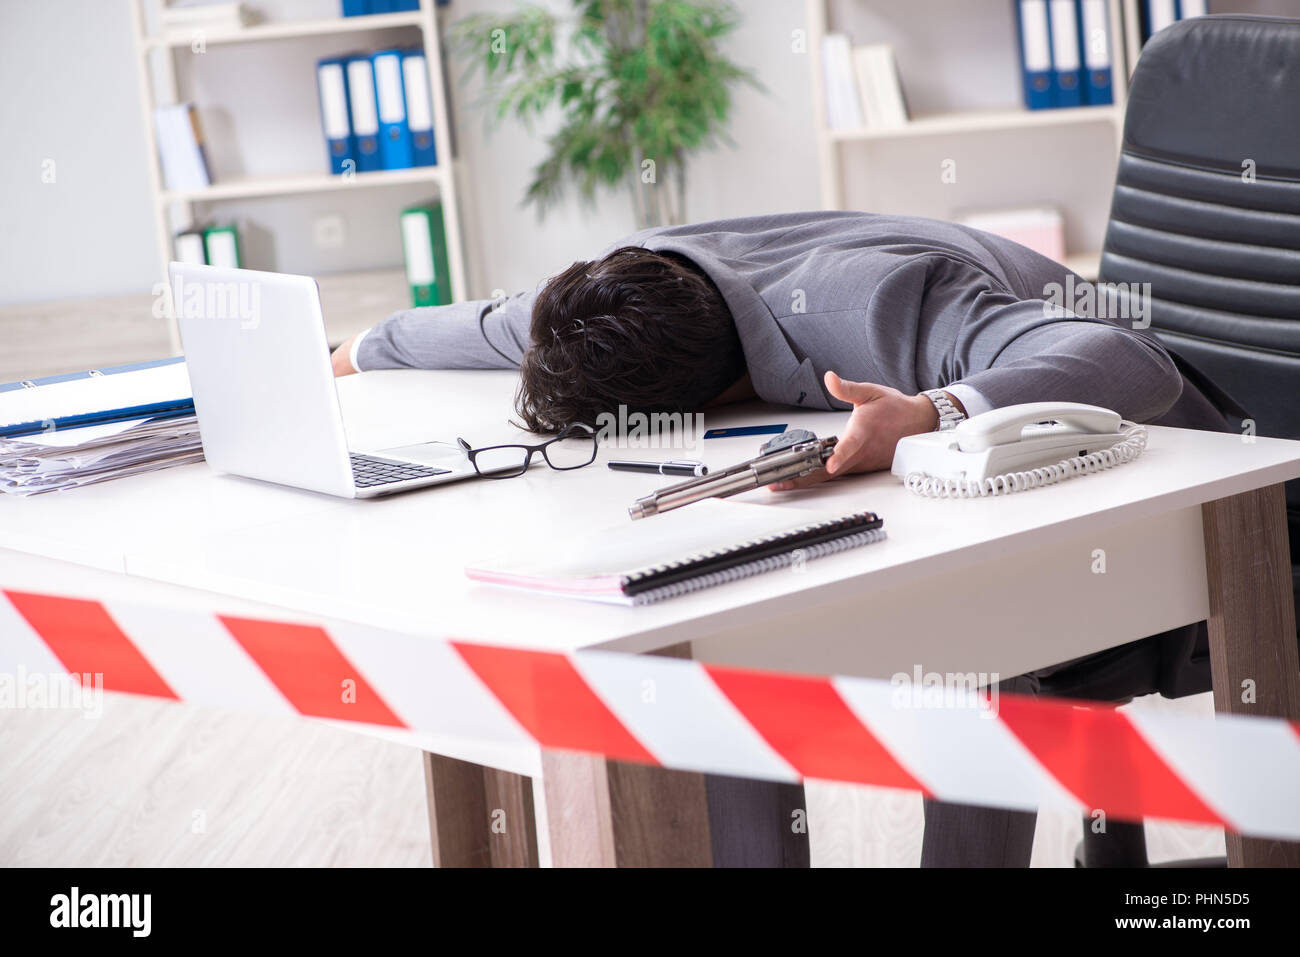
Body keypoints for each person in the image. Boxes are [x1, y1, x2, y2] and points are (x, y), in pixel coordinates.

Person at [332, 210, 1247, 866]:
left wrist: (930, 410)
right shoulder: (620, 299)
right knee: (713, 644)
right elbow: (430, 333)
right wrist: (345, 355)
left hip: (1145, 484)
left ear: (715, 394)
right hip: (988, 497)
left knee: (967, 633)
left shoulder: (883, 305)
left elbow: (1131, 363)